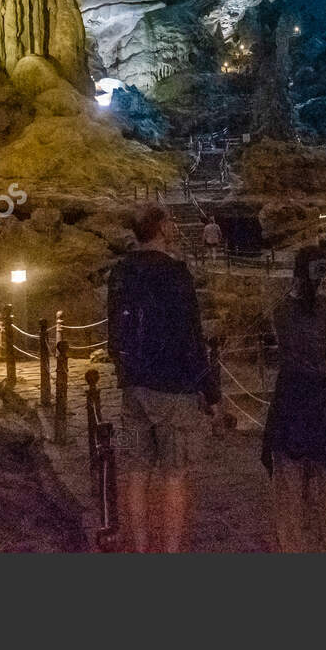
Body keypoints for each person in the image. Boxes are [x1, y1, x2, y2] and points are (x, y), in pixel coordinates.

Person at [107, 205, 218, 553]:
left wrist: (123, 371)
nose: (173, 226)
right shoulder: (175, 273)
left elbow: (114, 328)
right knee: (175, 474)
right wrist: (208, 389)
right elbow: (190, 335)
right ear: (160, 228)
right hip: (173, 386)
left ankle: (140, 550)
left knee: (135, 471)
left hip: (134, 386)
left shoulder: (120, 272)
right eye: (169, 221)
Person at [261, 245, 326, 552]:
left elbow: (283, 342)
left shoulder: (280, 310)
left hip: (292, 395)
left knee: (289, 491)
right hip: (324, 397)